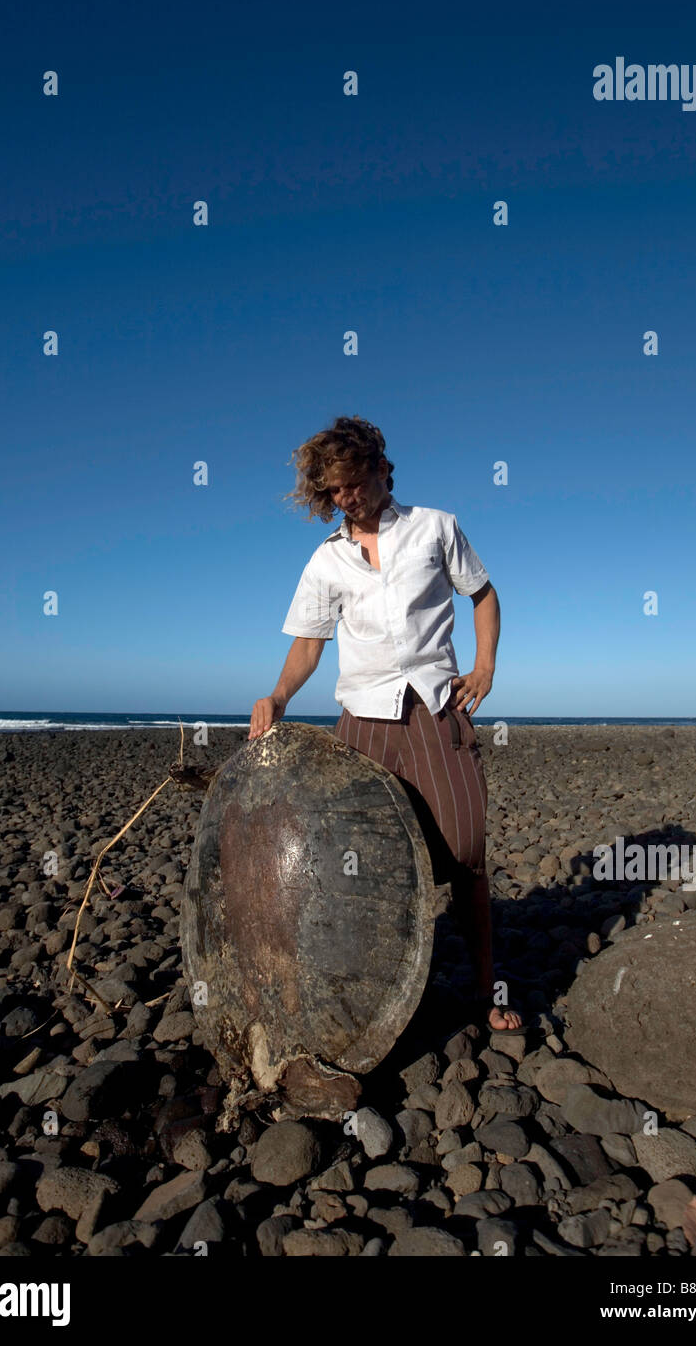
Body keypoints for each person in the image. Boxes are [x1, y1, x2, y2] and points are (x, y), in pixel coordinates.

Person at [249, 415, 521, 1033]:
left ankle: (484, 990)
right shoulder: (326, 562)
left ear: (380, 468)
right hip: (362, 725)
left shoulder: (435, 528)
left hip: (433, 707)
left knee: (465, 848)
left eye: (354, 481)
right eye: (334, 490)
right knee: (363, 863)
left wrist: (485, 666)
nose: (347, 497)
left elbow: (482, 593)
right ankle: (374, 998)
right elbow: (309, 645)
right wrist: (278, 695)